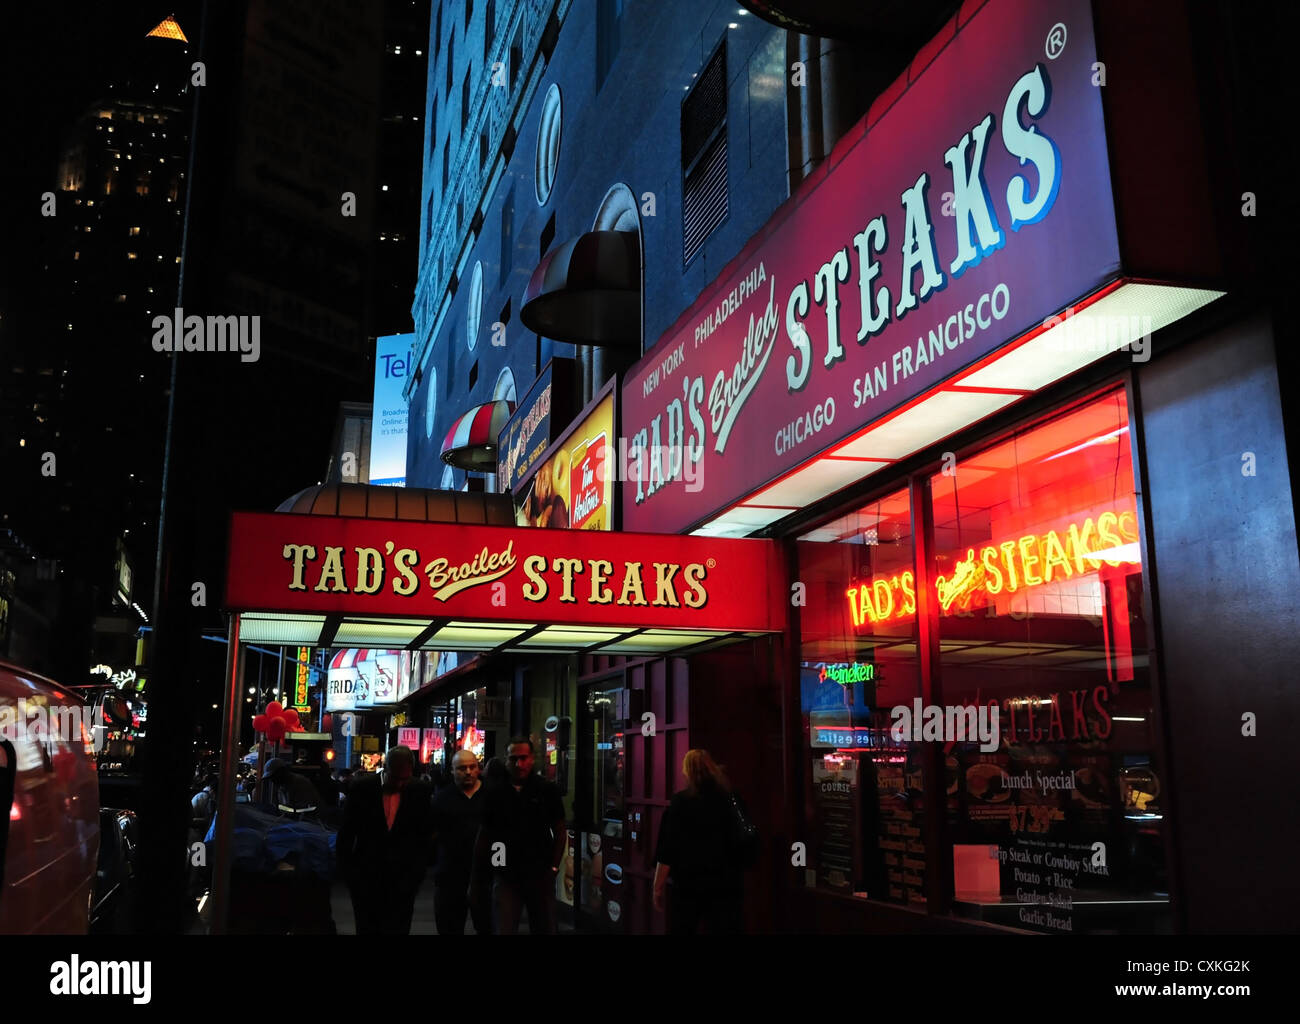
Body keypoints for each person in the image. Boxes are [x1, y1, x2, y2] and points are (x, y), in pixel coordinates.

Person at [336, 745, 434, 935]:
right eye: (395, 778)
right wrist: (348, 873)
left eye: (404, 779)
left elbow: (424, 834)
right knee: (367, 926)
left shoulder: (419, 790)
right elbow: (346, 832)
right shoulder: (362, 788)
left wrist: (417, 874)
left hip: (403, 877)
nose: (399, 784)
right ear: (386, 768)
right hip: (366, 875)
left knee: (399, 926)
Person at [473, 737, 566, 935]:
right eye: (513, 758)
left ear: (532, 759)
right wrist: (486, 871)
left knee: (544, 926)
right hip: (506, 872)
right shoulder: (495, 793)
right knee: (505, 926)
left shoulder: (545, 790)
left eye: (523, 758)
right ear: (506, 760)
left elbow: (559, 830)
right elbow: (485, 833)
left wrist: (553, 866)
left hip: (539, 871)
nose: (519, 764)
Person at [652, 749, 747, 934]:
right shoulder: (730, 798)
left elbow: (668, 848)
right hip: (725, 882)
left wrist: (657, 886)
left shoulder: (681, 801)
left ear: (687, 771)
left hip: (689, 884)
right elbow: (745, 834)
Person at [430, 749, 491, 935]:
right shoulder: (443, 798)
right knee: (449, 926)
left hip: (485, 874)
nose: (468, 772)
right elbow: (431, 834)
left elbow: (502, 835)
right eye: (462, 768)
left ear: (478, 769)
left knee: (487, 925)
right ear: (452, 771)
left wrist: (499, 866)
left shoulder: (492, 796)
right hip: (450, 874)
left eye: (472, 767)